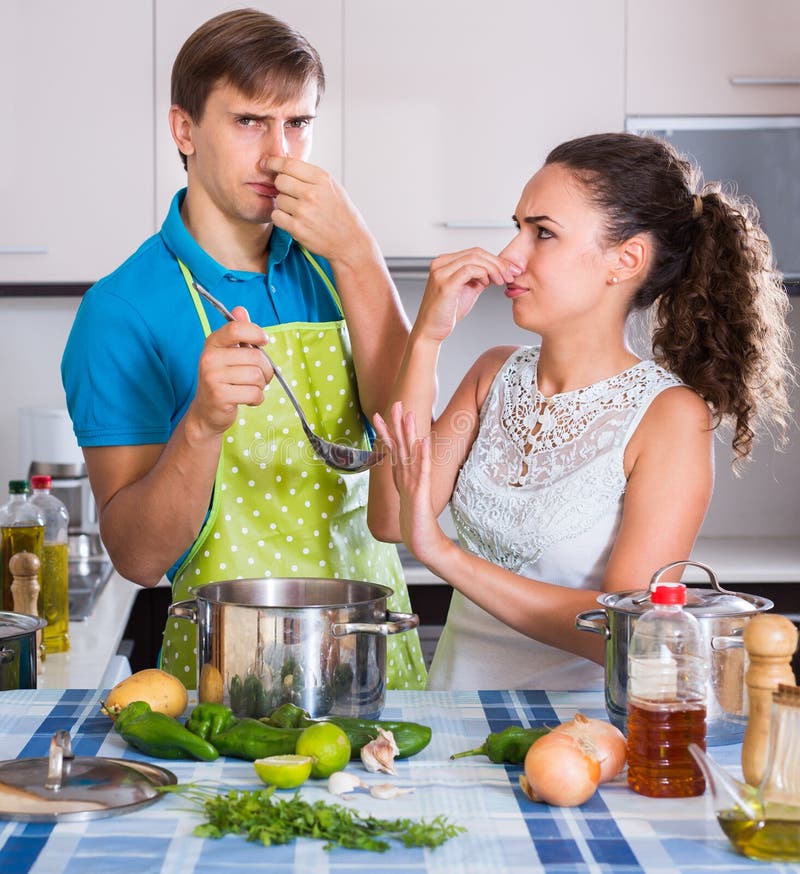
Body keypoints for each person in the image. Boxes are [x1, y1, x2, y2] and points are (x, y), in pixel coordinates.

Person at [61, 8, 426, 690]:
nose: (278, 154)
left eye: (298, 123)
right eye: (249, 121)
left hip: (372, 663)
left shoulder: (337, 268)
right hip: (227, 676)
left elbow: (407, 454)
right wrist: (200, 425)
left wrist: (361, 255)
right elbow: (138, 556)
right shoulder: (121, 312)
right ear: (184, 129)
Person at [368, 132, 794, 691]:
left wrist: (443, 555)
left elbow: (620, 635)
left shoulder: (670, 417)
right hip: (451, 721)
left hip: (578, 742)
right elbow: (390, 516)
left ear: (627, 259)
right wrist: (426, 336)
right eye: (517, 227)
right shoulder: (492, 375)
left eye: (542, 233)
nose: (509, 256)